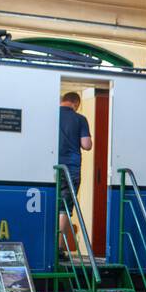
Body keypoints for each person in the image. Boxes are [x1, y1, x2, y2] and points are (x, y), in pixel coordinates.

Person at [58, 91, 92, 254]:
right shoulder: (80, 119)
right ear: (76, 103)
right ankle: (58, 248)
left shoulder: (50, 115)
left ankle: (45, 246)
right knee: (64, 207)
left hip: (51, 167)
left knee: (50, 204)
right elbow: (86, 144)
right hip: (71, 168)